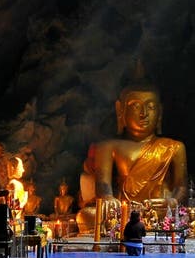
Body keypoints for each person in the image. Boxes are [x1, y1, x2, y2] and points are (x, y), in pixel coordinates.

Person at [76, 81, 188, 234]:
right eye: (136, 106)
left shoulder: (174, 147)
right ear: (120, 111)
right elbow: (103, 187)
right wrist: (109, 199)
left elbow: (181, 188)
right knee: (86, 215)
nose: (144, 114)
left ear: (160, 112)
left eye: (151, 107)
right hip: (123, 213)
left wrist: (171, 202)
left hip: (160, 212)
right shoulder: (108, 147)